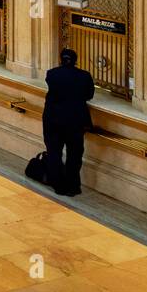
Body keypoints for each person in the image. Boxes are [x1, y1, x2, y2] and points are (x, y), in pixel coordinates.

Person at [40, 48, 95, 196]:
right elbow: (89, 95)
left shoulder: (52, 74)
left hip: (54, 120)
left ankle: (58, 184)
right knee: (74, 155)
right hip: (75, 121)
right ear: (76, 60)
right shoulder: (84, 76)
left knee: (54, 153)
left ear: (61, 59)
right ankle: (73, 186)